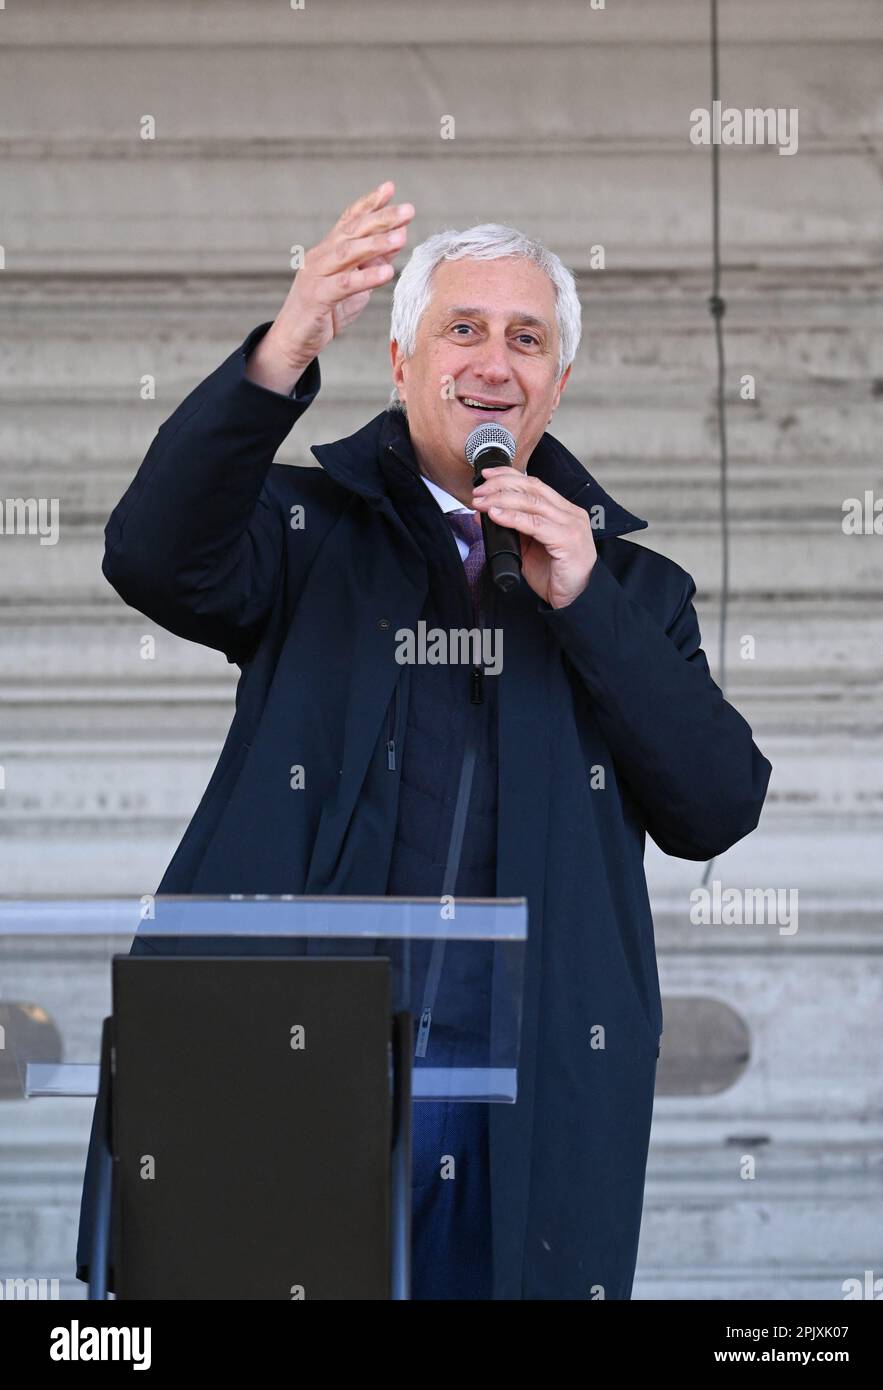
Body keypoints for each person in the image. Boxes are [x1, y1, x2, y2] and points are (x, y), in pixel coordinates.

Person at [77, 181, 772, 1299]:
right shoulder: (307, 533)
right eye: (462, 329)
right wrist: (284, 345)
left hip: (520, 1089)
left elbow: (715, 804)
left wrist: (586, 603)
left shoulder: (634, 590)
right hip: (287, 1061)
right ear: (399, 363)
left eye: (525, 338)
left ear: (557, 382)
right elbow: (152, 555)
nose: (494, 361)